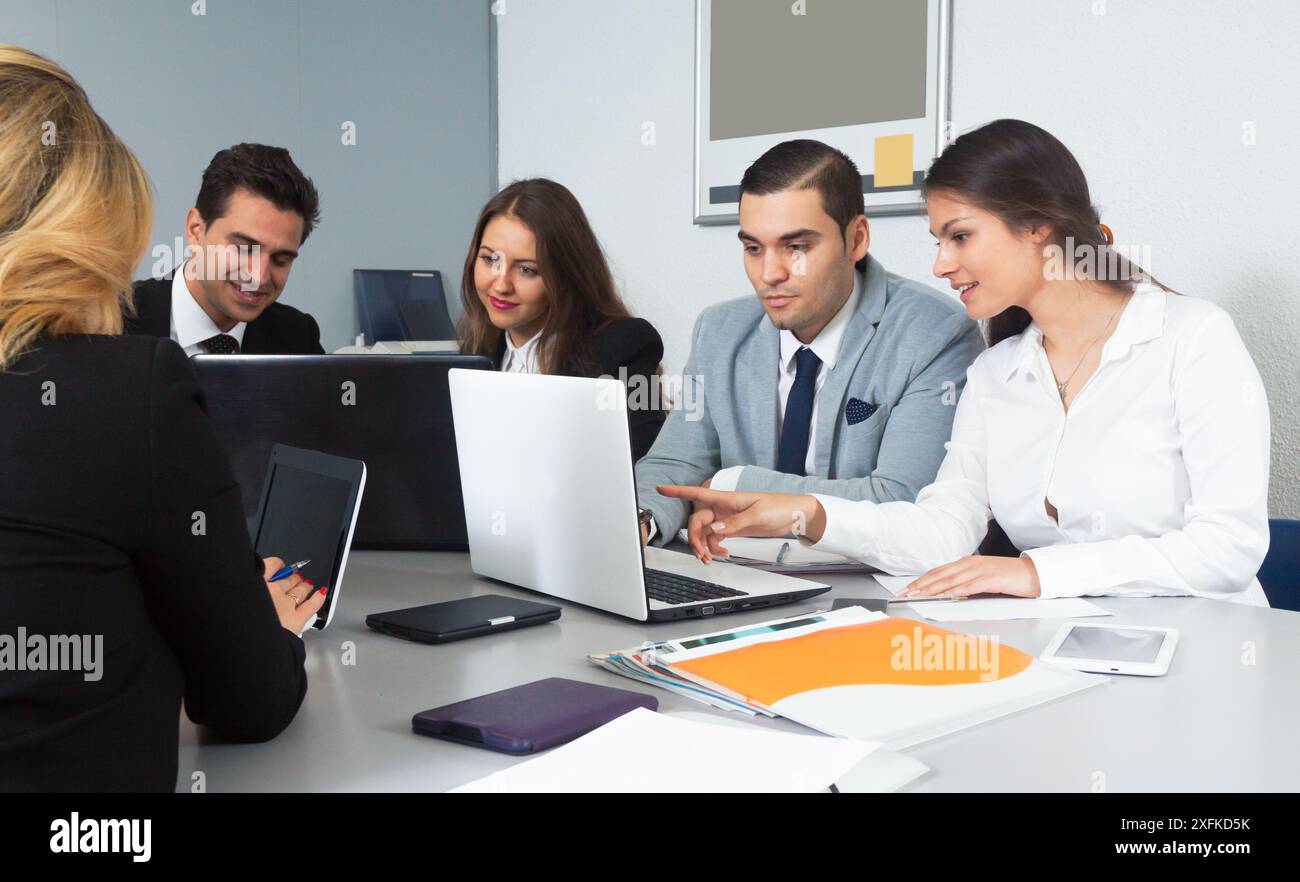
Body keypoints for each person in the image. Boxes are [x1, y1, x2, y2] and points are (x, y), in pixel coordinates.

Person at [660, 119, 1271, 606]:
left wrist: (1034, 572)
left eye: (959, 236)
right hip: (1065, 647)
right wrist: (810, 514)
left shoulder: (1192, 339)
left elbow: (1228, 549)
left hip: (1208, 641)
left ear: (1036, 225)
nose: (940, 264)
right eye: (937, 241)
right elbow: (944, 529)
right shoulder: (995, 372)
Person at [0, 45, 321, 792]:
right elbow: (247, 697)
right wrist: (260, 624)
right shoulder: (126, 377)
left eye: (282, 257)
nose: (258, 274)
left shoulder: (294, 338)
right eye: (242, 245)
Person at [635, 139, 984, 545]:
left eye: (797, 247)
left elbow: (904, 501)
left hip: (864, 590)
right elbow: (674, 465)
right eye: (752, 248)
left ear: (856, 240)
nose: (770, 274)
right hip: (735, 573)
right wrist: (642, 522)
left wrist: (730, 483)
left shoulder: (936, 332)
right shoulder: (718, 329)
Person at [457, 177, 666, 459]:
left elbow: (649, 469)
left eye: (527, 270)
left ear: (566, 274)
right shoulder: (474, 351)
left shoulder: (624, 347)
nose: (501, 284)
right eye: (490, 259)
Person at [126, 143, 326, 355]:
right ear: (196, 230)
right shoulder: (112, 321)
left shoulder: (299, 337)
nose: (259, 277)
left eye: (281, 259)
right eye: (245, 248)